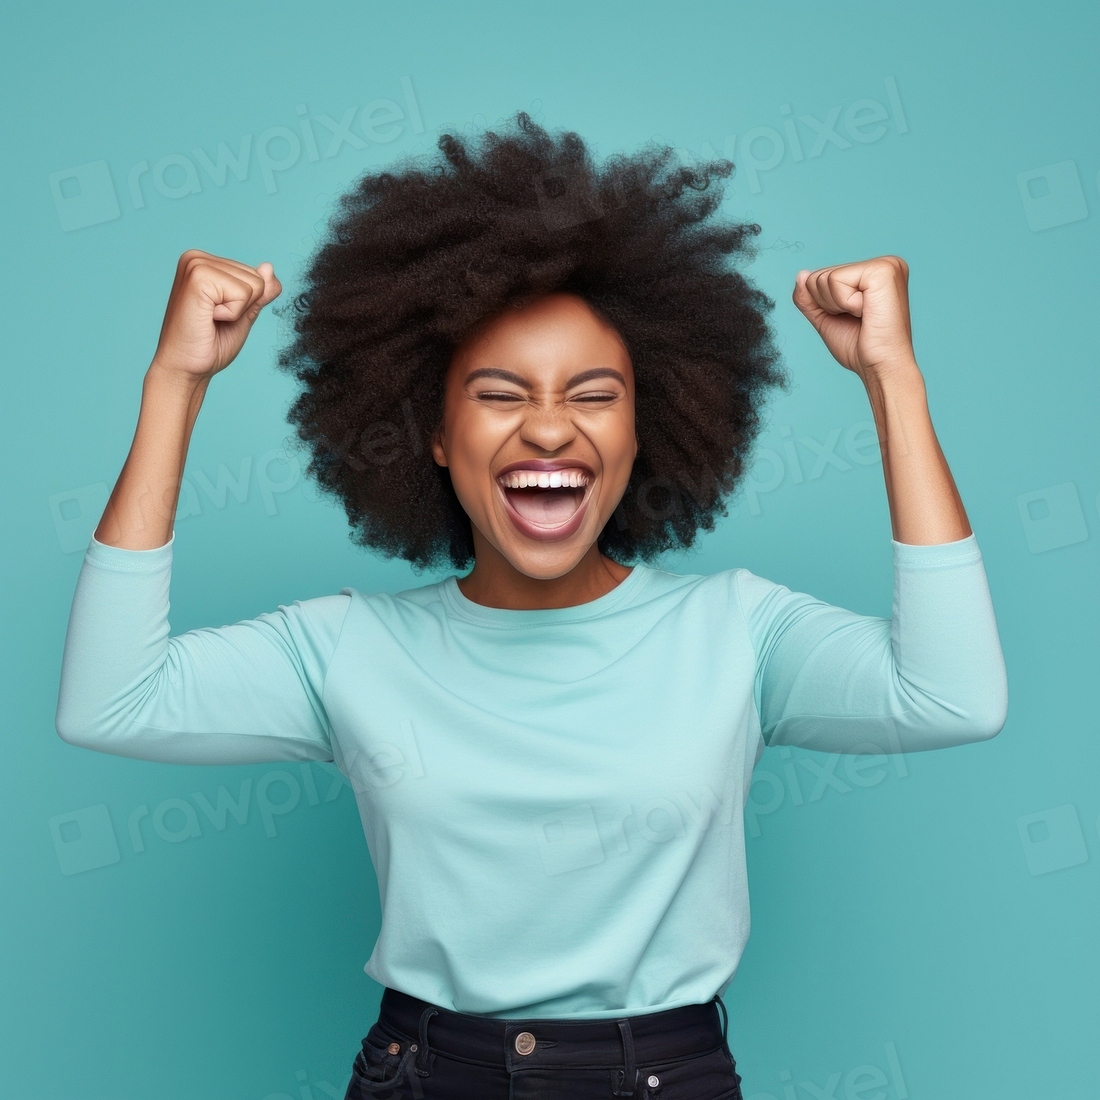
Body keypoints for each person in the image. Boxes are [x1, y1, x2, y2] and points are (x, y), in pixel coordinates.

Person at [55, 113, 1008, 1100]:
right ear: (430, 432)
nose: (548, 426)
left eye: (592, 395)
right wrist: (175, 383)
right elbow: (109, 700)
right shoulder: (348, 646)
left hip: (661, 1075)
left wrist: (892, 380)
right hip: (424, 1072)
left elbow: (951, 696)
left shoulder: (736, 630)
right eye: (499, 394)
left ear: (648, 430)